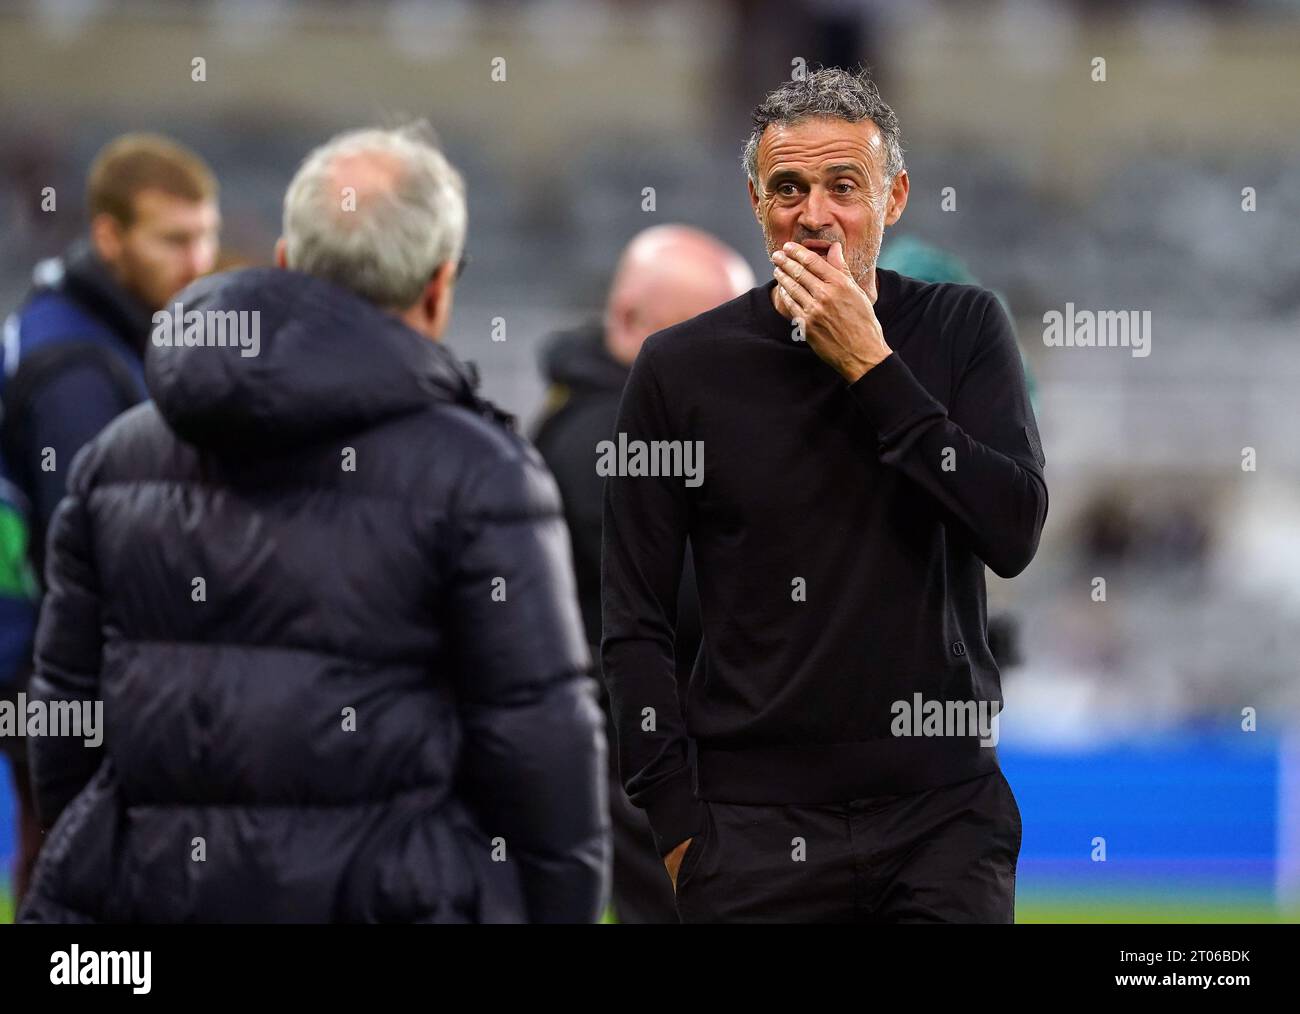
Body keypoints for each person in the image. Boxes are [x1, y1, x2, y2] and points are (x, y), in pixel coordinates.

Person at [18, 124, 608, 923]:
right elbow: (541, 757)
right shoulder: (485, 476)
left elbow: (64, 738)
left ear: (288, 264)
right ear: (439, 288)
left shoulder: (116, 460)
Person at [601, 67, 1048, 923]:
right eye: (789, 189)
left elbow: (1013, 530)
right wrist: (677, 827)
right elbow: (635, 621)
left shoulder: (962, 329)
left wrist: (872, 368)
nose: (815, 215)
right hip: (751, 833)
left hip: (943, 818)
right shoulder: (679, 369)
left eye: (845, 187)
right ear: (756, 202)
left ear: (895, 196)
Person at [0, 133, 220, 907]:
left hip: (55, 662)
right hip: (57, 666)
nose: (198, 261)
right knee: (77, 876)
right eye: (174, 239)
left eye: (206, 235)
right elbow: (93, 545)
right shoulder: (74, 366)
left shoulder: (102, 332)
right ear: (109, 236)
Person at [533, 224, 753, 923]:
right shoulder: (605, 442)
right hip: (640, 753)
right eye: (710, 339)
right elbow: (690, 600)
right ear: (629, 321)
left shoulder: (618, 424)